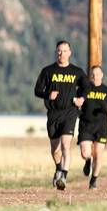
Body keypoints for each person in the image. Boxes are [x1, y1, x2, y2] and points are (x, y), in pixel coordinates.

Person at [34, 40, 87, 190]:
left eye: (64, 51)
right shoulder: (48, 71)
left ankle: (63, 176)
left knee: (66, 145)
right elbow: (37, 90)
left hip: (70, 112)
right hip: (53, 114)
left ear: (69, 53)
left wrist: (81, 98)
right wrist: (47, 94)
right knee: (55, 150)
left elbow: (86, 87)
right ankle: (58, 167)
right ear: (56, 52)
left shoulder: (76, 72)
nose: (61, 54)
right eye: (59, 51)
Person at [76, 65, 107, 189]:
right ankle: (87, 161)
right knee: (85, 153)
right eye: (93, 75)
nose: (95, 77)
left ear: (102, 75)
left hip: (101, 126)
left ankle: (93, 180)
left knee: (98, 154)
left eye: (98, 74)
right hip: (86, 125)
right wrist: (79, 112)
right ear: (90, 77)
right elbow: (75, 103)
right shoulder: (84, 90)